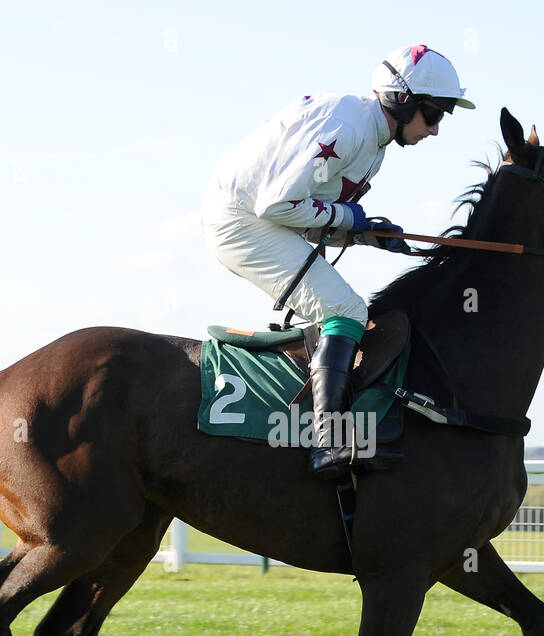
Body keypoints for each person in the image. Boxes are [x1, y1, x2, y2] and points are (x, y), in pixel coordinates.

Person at [202, 44, 474, 478]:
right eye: (435, 114)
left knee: (344, 307)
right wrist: (351, 219)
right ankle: (329, 442)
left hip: (257, 216)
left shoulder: (374, 140)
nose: (436, 130)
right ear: (402, 101)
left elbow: (305, 214)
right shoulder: (350, 129)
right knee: (344, 309)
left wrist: (366, 235)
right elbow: (278, 204)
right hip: (242, 221)